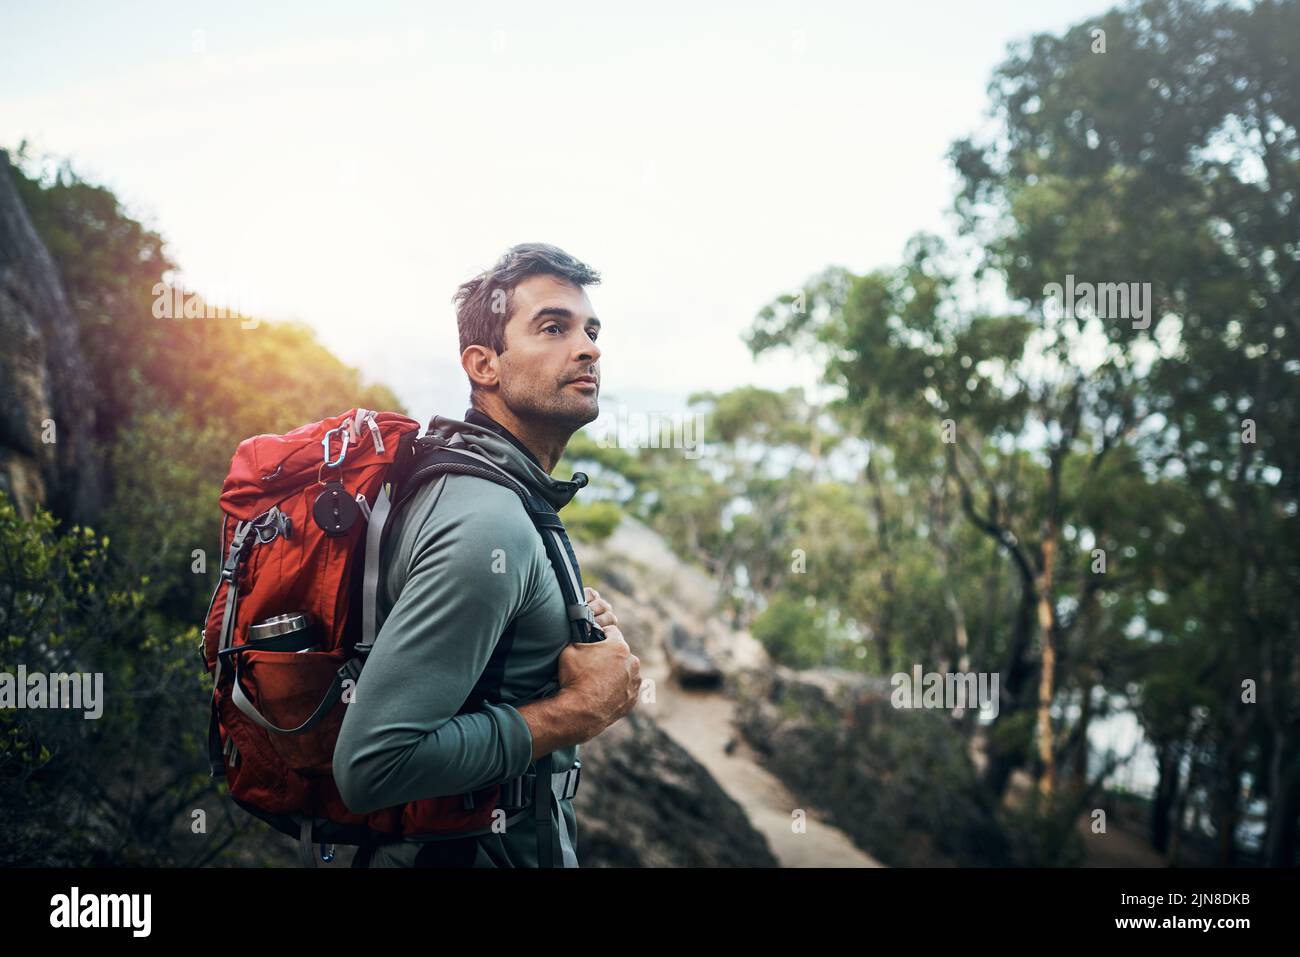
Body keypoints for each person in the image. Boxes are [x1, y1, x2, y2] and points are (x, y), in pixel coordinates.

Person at [332, 243, 642, 867]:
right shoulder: (487, 520)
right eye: (553, 328)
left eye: (591, 330)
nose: (588, 348)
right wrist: (578, 709)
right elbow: (370, 765)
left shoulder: (500, 495)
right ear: (483, 365)